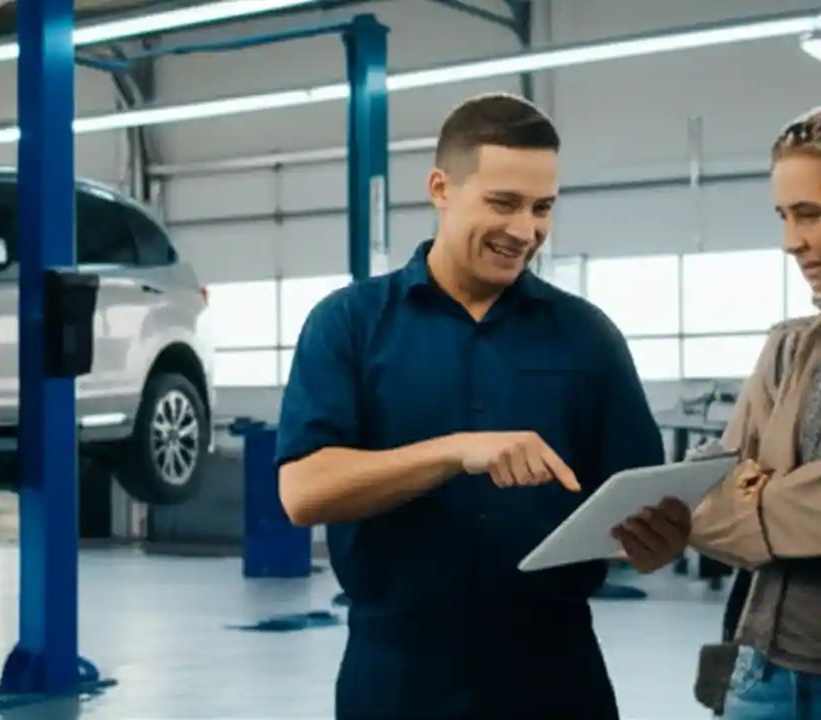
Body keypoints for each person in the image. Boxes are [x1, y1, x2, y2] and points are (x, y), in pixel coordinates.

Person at [275, 92, 692, 719]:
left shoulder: (587, 336)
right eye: (503, 203)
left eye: (542, 207)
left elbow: (638, 508)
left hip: (555, 678)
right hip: (396, 679)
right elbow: (304, 492)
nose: (525, 231)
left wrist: (658, 541)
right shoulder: (349, 326)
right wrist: (456, 451)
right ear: (441, 187)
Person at [688, 107, 821, 719]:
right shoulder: (789, 348)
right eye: (785, 216)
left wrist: (750, 498)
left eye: (811, 215)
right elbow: (698, 498)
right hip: (766, 674)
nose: (791, 241)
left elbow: (723, 496)